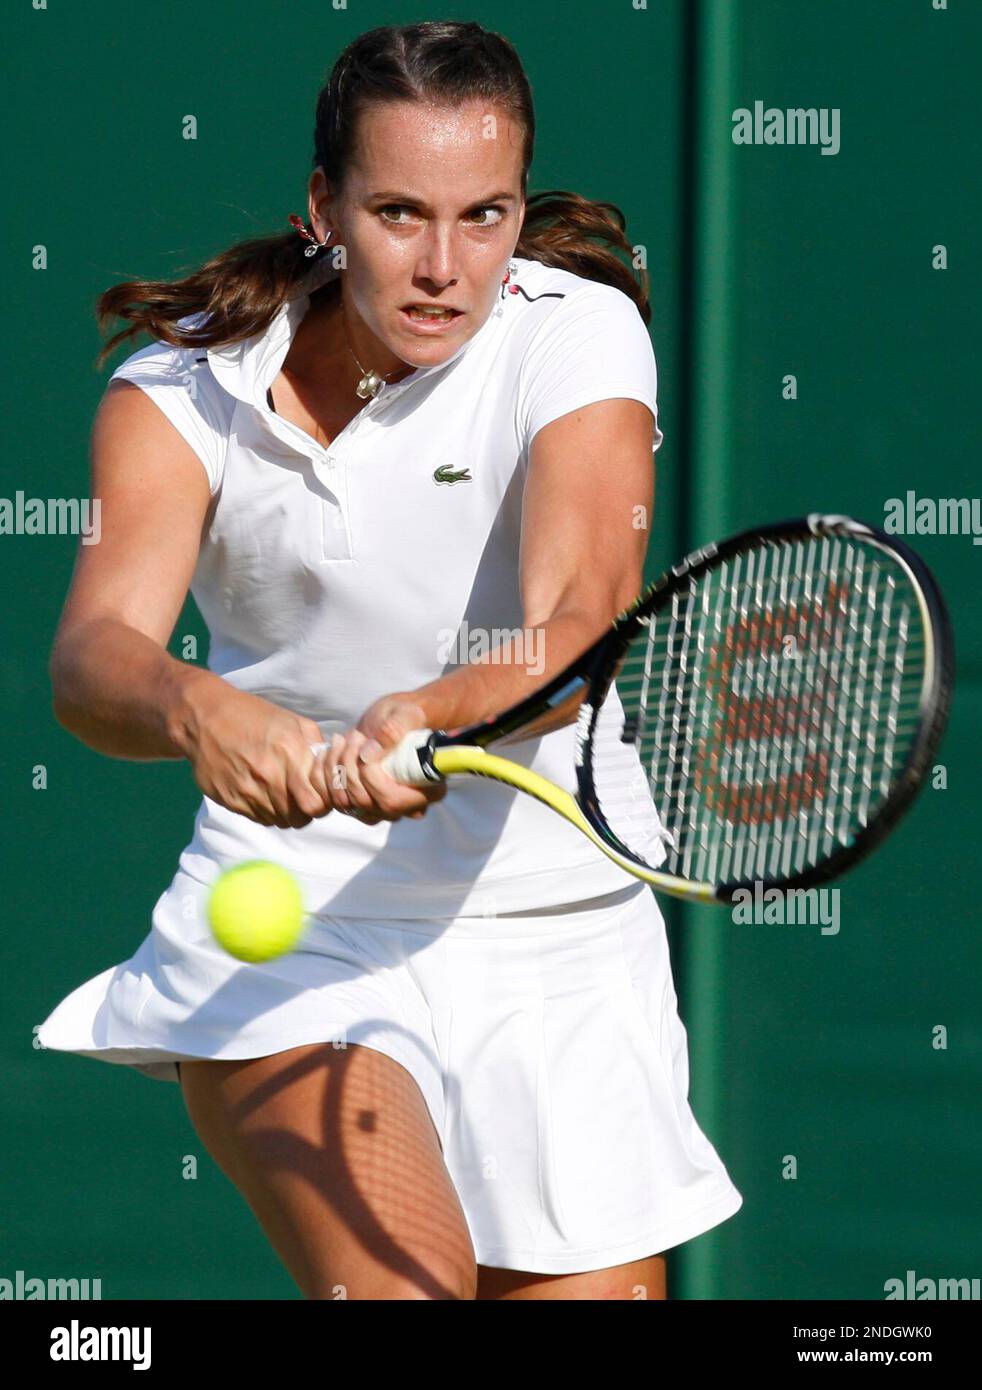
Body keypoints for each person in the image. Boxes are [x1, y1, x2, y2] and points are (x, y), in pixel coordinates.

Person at [37, 20, 742, 1300]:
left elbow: (580, 621)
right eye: (400, 213)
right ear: (324, 209)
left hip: (559, 937)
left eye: (485, 216)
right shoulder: (181, 388)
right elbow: (93, 659)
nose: (444, 266)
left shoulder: (575, 331)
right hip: (300, 920)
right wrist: (199, 709)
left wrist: (426, 707)